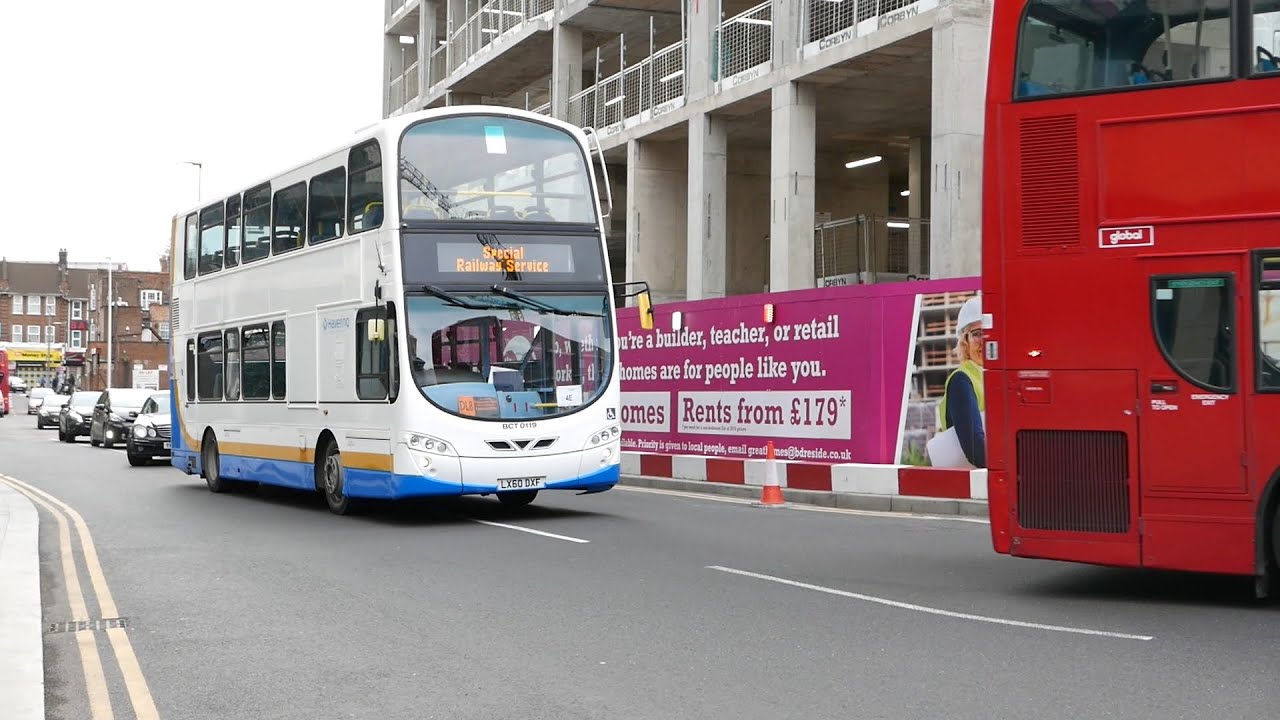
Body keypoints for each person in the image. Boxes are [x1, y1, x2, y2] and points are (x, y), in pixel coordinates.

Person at [937, 293, 985, 468]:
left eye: (989, 332)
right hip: (972, 485)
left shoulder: (996, 377)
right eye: (977, 334)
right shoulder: (961, 380)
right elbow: (976, 449)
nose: (984, 340)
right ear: (965, 341)